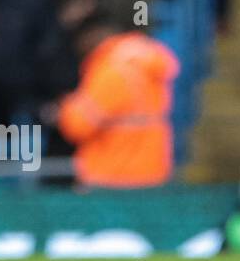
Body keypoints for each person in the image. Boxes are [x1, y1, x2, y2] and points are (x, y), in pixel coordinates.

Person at [50, 10, 178, 189]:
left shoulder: (112, 70)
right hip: (151, 174)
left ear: (95, 33)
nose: (80, 46)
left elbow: (78, 124)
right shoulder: (144, 64)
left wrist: (64, 108)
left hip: (112, 175)